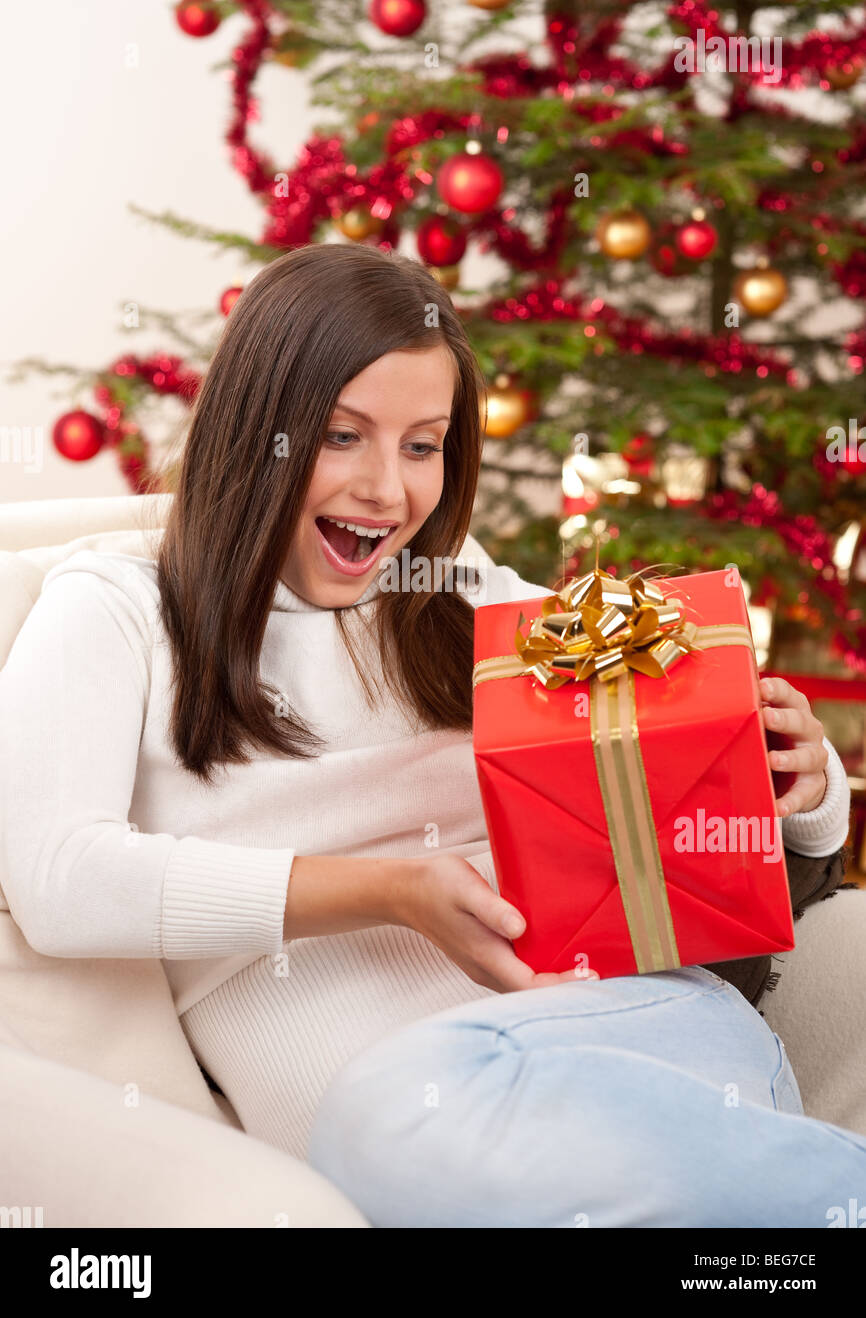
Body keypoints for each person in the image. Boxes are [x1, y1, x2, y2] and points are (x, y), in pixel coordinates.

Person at [0, 243, 860, 1229]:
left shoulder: (471, 598)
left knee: (396, 1112)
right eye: (340, 435)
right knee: (390, 1117)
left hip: (633, 1035)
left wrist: (806, 785)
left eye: (422, 445)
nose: (386, 489)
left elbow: (694, 795)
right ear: (256, 428)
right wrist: (392, 892)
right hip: (426, 1143)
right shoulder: (113, 608)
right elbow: (59, 877)